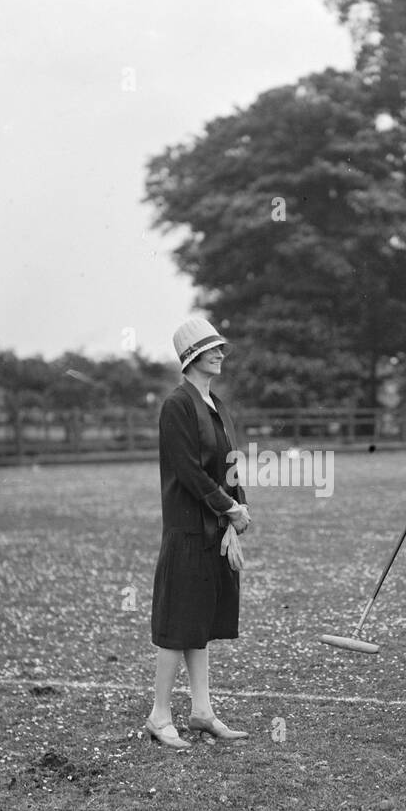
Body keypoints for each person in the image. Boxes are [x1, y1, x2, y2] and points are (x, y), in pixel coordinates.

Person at [145, 316, 251, 748]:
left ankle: (202, 712)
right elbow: (189, 472)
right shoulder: (176, 405)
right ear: (191, 357)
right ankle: (158, 715)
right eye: (213, 348)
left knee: (201, 625)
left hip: (215, 531)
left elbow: (230, 465)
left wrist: (235, 520)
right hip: (187, 533)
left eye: (221, 346)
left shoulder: (217, 405)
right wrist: (228, 508)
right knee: (178, 626)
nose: (221, 353)